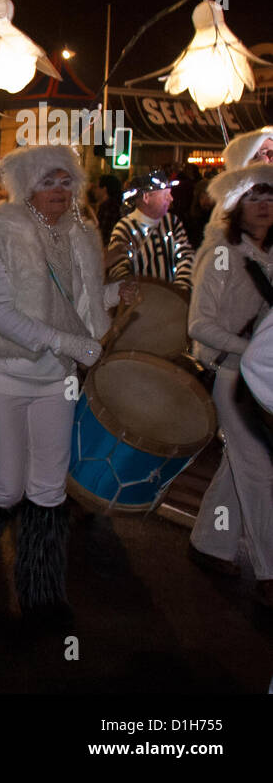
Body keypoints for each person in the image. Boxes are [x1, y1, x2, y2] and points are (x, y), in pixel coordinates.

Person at [0, 144, 135, 619]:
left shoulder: (79, 234)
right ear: (27, 186)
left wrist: (118, 294)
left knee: (48, 488)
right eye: (48, 181)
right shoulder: (0, 231)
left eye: (65, 181)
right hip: (3, 376)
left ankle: (42, 592)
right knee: (5, 487)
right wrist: (75, 346)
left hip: (56, 380)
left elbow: (81, 299)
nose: (59, 190)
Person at [187, 164, 273, 608]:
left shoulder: (271, 254)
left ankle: (210, 543)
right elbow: (199, 324)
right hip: (232, 376)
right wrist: (250, 349)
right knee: (260, 471)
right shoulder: (220, 252)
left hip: (266, 379)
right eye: (255, 197)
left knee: (240, 466)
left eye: (271, 197)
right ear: (236, 204)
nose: (264, 206)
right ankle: (270, 571)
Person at [107, 170, 194, 291]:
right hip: (141, 304)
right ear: (146, 197)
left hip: (173, 301)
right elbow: (119, 270)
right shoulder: (125, 228)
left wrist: (178, 293)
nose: (171, 199)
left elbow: (186, 258)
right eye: (165, 195)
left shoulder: (172, 222)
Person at [93, 174, 122, 247]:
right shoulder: (116, 205)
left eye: (97, 187)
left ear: (104, 189)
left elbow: (103, 236)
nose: (94, 190)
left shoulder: (109, 207)